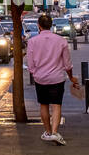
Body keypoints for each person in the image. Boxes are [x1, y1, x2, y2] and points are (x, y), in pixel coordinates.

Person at [24, 13, 76, 145]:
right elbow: (67, 63)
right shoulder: (61, 41)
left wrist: (35, 73)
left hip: (40, 78)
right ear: (51, 25)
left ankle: (47, 131)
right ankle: (54, 132)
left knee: (43, 104)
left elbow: (30, 63)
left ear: (39, 26)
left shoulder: (32, 41)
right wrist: (71, 76)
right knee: (57, 105)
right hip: (57, 78)